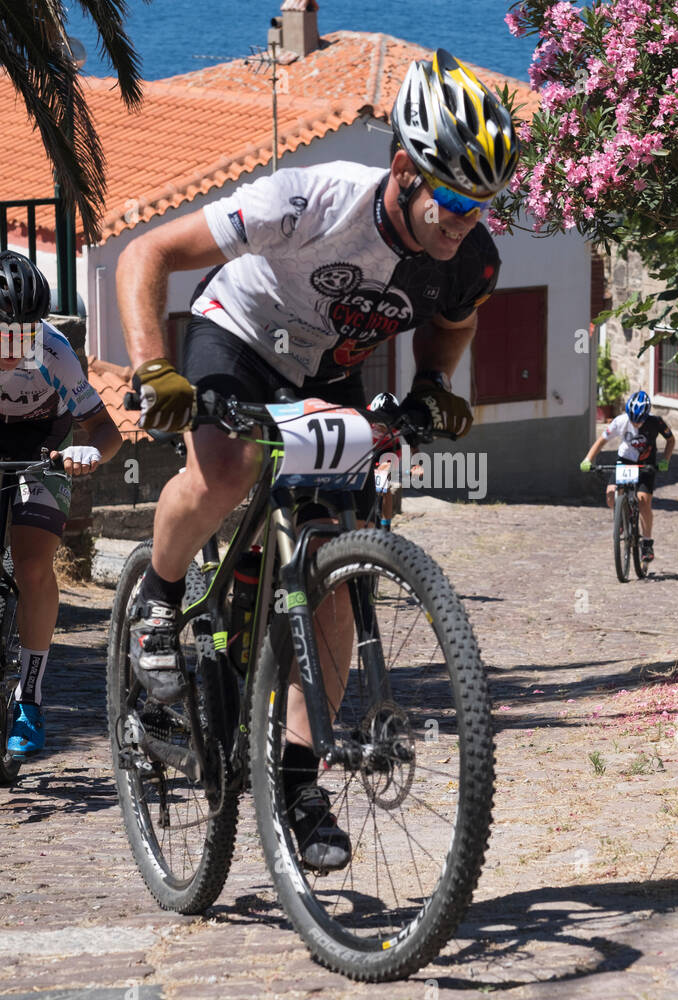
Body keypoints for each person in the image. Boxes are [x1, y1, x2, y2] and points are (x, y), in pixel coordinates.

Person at [115, 46, 518, 870]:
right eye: (446, 196)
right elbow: (143, 256)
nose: (459, 219)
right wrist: (155, 368)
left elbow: (455, 321)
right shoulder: (306, 201)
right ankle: (157, 602)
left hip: (325, 372)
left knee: (331, 565)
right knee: (223, 471)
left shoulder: (468, 258)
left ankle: (297, 780)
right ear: (403, 168)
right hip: (236, 335)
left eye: (479, 205)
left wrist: (435, 382)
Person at [0, 251, 121, 756]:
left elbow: (106, 431)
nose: (17, 347)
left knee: (31, 567)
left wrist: (87, 452)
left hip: (40, 444)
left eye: (27, 332)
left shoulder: (53, 351)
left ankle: (30, 696)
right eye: (7, 333)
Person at [580, 388, 675, 563]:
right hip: (625, 461)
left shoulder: (656, 422)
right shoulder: (620, 421)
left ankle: (647, 542)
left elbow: (671, 440)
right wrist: (588, 459)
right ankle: (621, 519)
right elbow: (601, 441)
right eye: (633, 420)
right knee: (610, 494)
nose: (636, 424)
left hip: (646, 464)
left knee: (643, 501)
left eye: (639, 421)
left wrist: (665, 460)